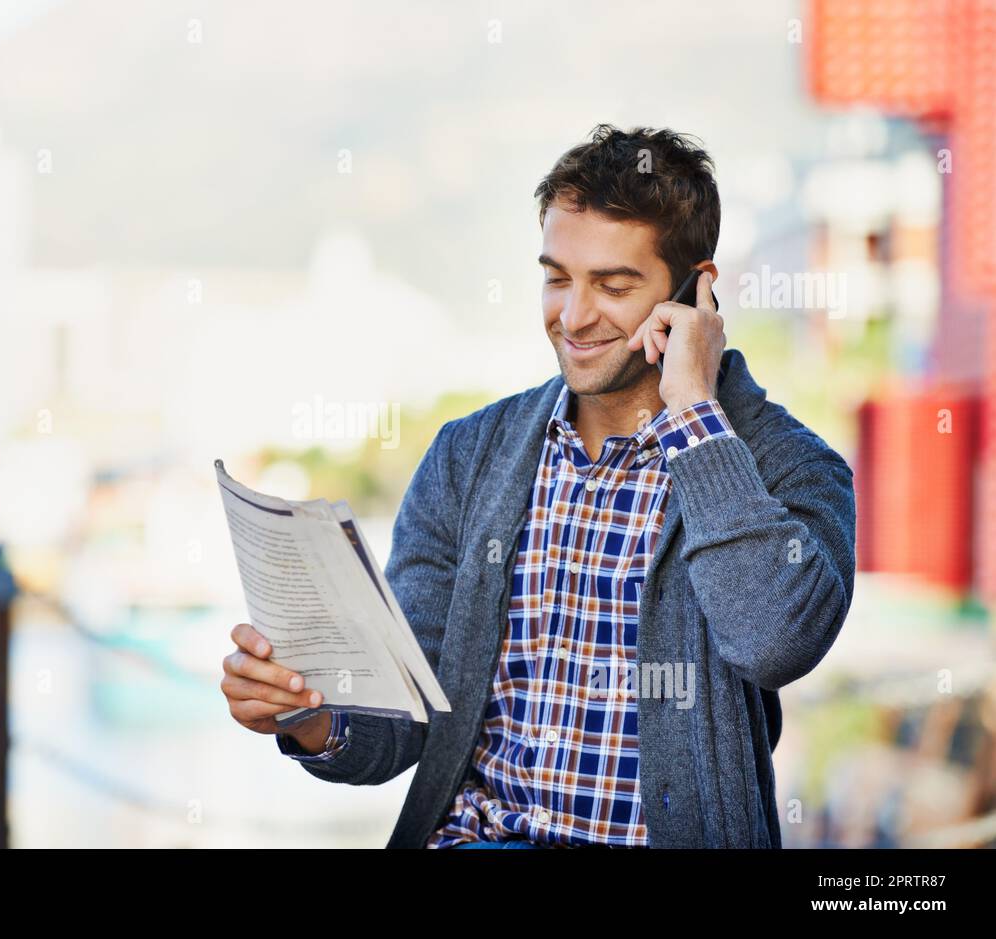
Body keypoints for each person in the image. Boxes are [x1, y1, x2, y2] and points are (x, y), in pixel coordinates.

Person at [219, 124, 856, 849]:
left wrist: (694, 414)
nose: (573, 316)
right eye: (557, 277)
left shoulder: (792, 468)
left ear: (696, 290)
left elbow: (774, 641)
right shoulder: (468, 456)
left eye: (613, 285)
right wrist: (307, 716)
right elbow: (404, 720)